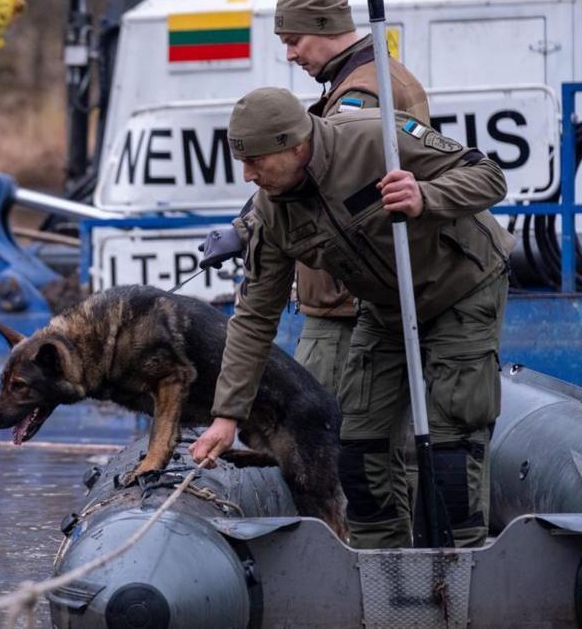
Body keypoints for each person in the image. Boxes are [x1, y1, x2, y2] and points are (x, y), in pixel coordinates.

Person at [190, 87, 514, 549]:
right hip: (384, 306)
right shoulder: (270, 215)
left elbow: (488, 177)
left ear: (295, 146)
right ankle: (382, 561)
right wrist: (227, 414)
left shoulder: (376, 137)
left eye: (257, 161)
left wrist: (426, 195)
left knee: (450, 442)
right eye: (242, 162)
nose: (248, 176)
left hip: (461, 285)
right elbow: (254, 318)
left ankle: (458, 562)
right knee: (357, 443)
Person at [275, 0, 429, 399]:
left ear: (325, 26)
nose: (290, 55)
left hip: (344, 303)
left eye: (295, 40)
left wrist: (261, 227)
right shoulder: (381, 73)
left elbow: (334, 188)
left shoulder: (360, 93)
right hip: (364, 292)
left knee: (318, 429)